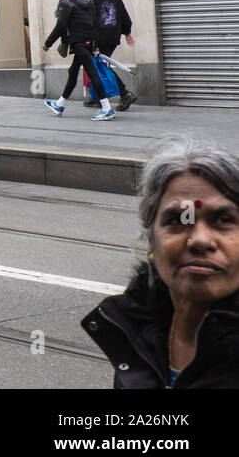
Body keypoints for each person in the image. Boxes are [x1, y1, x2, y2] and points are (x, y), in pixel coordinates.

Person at [83, 135, 239, 387]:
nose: (199, 240)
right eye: (178, 220)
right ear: (151, 244)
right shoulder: (139, 333)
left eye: (223, 220)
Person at [42, 0, 116, 120]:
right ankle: (60, 104)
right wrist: (94, 41)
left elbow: (61, 25)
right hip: (88, 40)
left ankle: (107, 108)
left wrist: (48, 43)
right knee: (73, 72)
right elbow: (95, 20)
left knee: (92, 73)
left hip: (78, 41)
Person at [80, 0, 136, 112]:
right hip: (113, 36)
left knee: (100, 66)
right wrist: (127, 32)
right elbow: (123, 14)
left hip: (98, 37)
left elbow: (86, 18)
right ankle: (98, 97)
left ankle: (124, 94)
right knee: (99, 65)